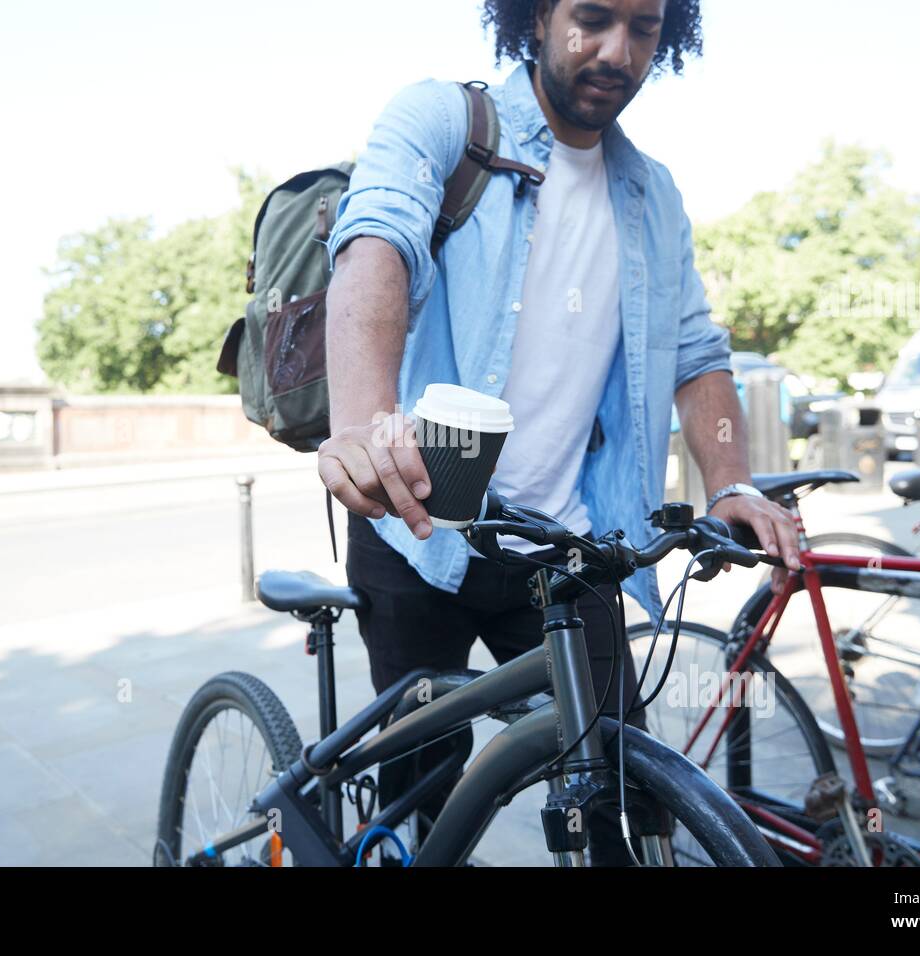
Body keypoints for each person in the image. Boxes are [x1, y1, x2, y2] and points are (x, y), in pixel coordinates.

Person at [317, 0, 800, 864]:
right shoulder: (443, 120)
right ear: (536, 16)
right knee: (427, 794)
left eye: (645, 28)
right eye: (593, 18)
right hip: (421, 509)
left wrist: (730, 482)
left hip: (563, 538)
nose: (618, 50)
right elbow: (375, 241)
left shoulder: (651, 192)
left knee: (619, 782)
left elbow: (696, 351)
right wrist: (361, 423)